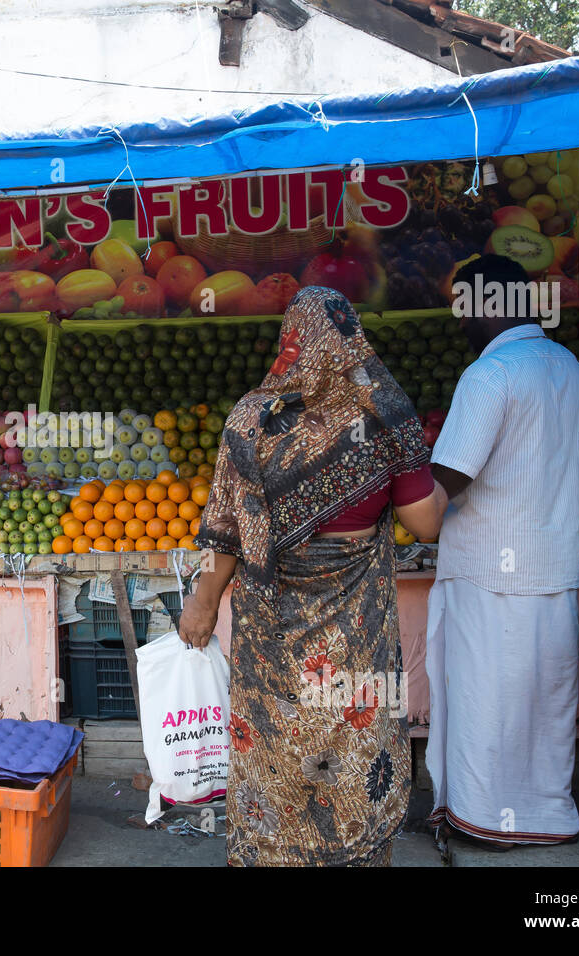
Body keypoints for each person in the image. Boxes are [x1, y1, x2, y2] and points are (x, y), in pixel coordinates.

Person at [177, 286, 446, 867]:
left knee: (276, 743)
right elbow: (426, 524)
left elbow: (223, 529)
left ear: (291, 340)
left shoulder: (251, 419)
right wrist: (436, 475)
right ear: (353, 339)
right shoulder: (384, 412)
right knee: (355, 742)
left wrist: (200, 606)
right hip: (355, 641)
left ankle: (277, 852)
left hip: (270, 636)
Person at [425, 254, 579, 850]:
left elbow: (452, 474)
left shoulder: (489, 375)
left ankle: (485, 819)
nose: (456, 317)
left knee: (485, 700)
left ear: (489, 306)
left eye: (463, 304)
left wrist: (407, 494)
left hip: (490, 569)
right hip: (551, 565)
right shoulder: (566, 365)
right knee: (543, 702)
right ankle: (546, 816)